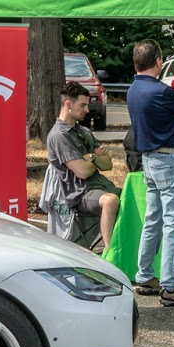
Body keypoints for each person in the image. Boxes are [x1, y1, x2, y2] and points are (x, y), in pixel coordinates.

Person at [125, 40, 174, 307]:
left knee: (153, 220)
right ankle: (171, 286)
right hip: (170, 160)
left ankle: (145, 275)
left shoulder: (132, 91)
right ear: (158, 61)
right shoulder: (162, 92)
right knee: (173, 224)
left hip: (149, 159)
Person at [42, 82, 122, 249]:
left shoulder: (84, 132)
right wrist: (95, 159)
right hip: (78, 194)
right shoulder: (59, 136)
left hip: (99, 187)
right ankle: (112, 255)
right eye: (83, 105)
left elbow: (108, 164)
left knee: (136, 196)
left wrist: (89, 157)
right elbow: (82, 172)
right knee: (111, 201)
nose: (87, 110)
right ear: (68, 104)